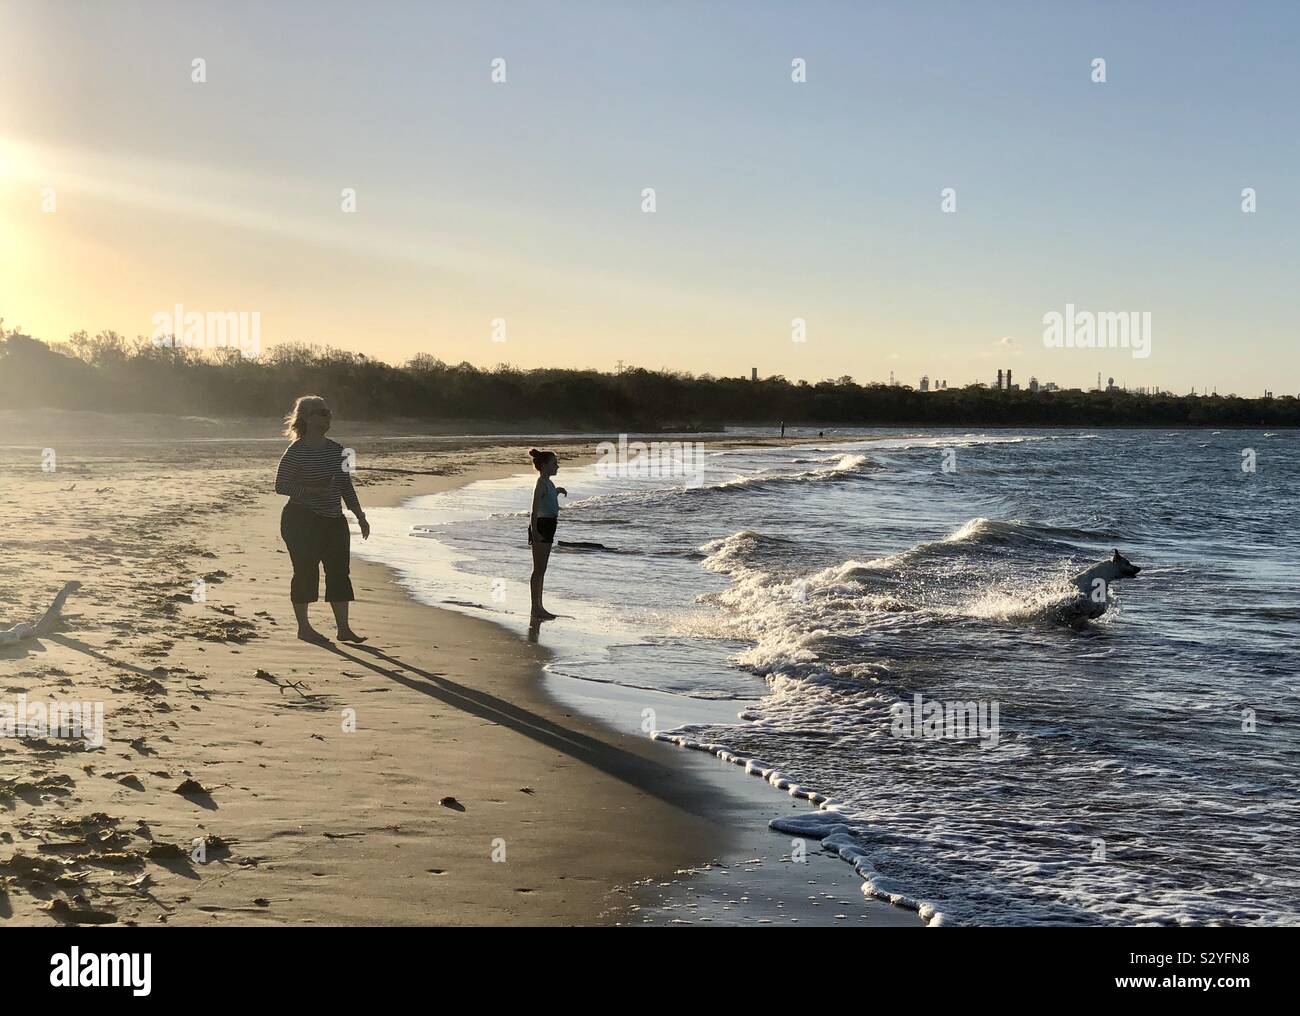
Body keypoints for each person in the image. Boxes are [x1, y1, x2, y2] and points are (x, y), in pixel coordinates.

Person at [274, 395, 370, 644]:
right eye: (322, 412)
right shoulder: (296, 451)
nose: (328, 416)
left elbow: (345, 487)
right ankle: (304, 628)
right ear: (307, 417)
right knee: (305, 572)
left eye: (328, 412)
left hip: (333, 519)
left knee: (339, 572)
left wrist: (360, 515)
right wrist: (311, 490)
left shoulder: (339, 450)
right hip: (301, 519)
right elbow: (281, 485)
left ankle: (344, 629)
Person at [527, 448, 566, 620]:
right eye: (554, 463)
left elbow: (548, 498)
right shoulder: (540, 483)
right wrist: (535, 531)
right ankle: (535, 608)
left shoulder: (548, 483)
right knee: (539, 569)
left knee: (543, 570)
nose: (557, 466)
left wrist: (557, 491)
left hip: (550, 525)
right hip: (541, 526)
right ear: (544, 465)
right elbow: (534, 510)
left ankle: (539, 606)